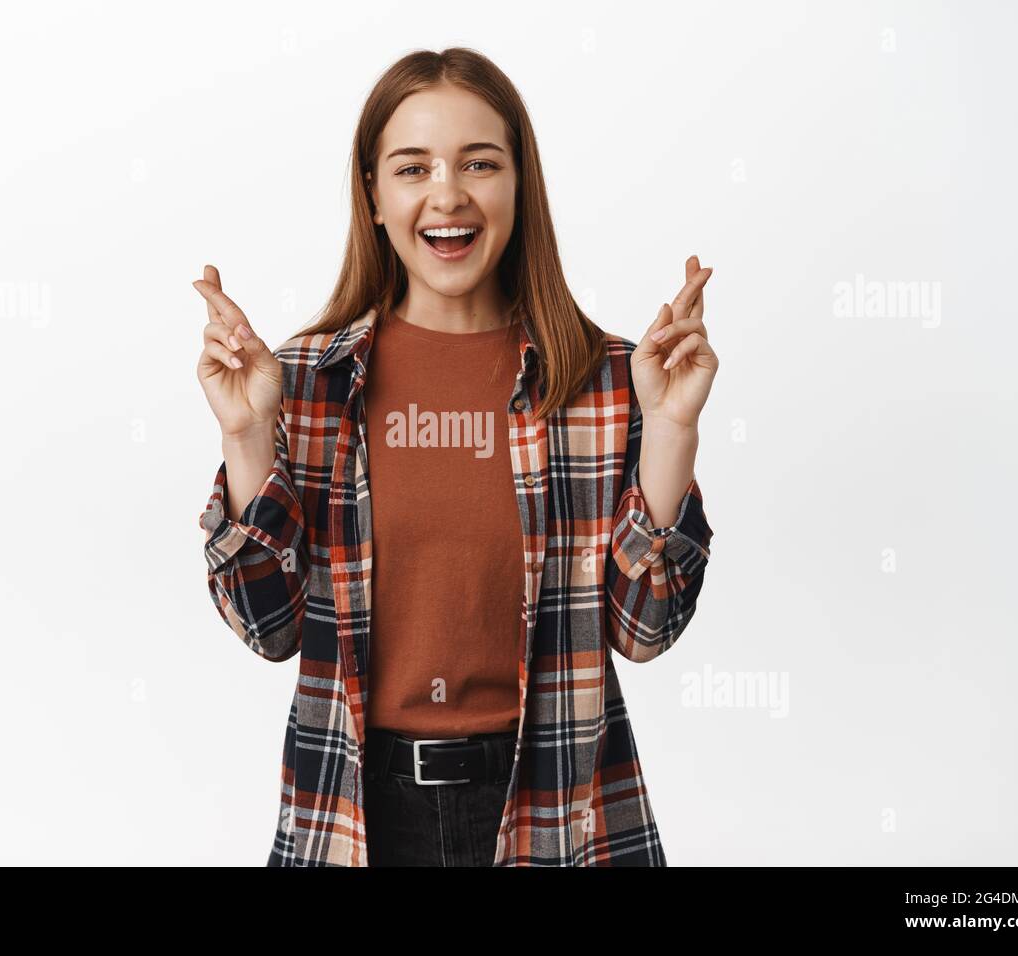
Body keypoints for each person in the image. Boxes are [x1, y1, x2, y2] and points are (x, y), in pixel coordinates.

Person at [193, 47, 716, 867]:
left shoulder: (609, 380)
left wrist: (674, 429)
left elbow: (643, 633)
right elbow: (270, 629)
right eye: (412, 168)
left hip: (560, 816)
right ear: (373, 195)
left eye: (480, 162)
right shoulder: (303, 381)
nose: (448, 194)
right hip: (356, 819)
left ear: (520, 184)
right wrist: (245, 436)